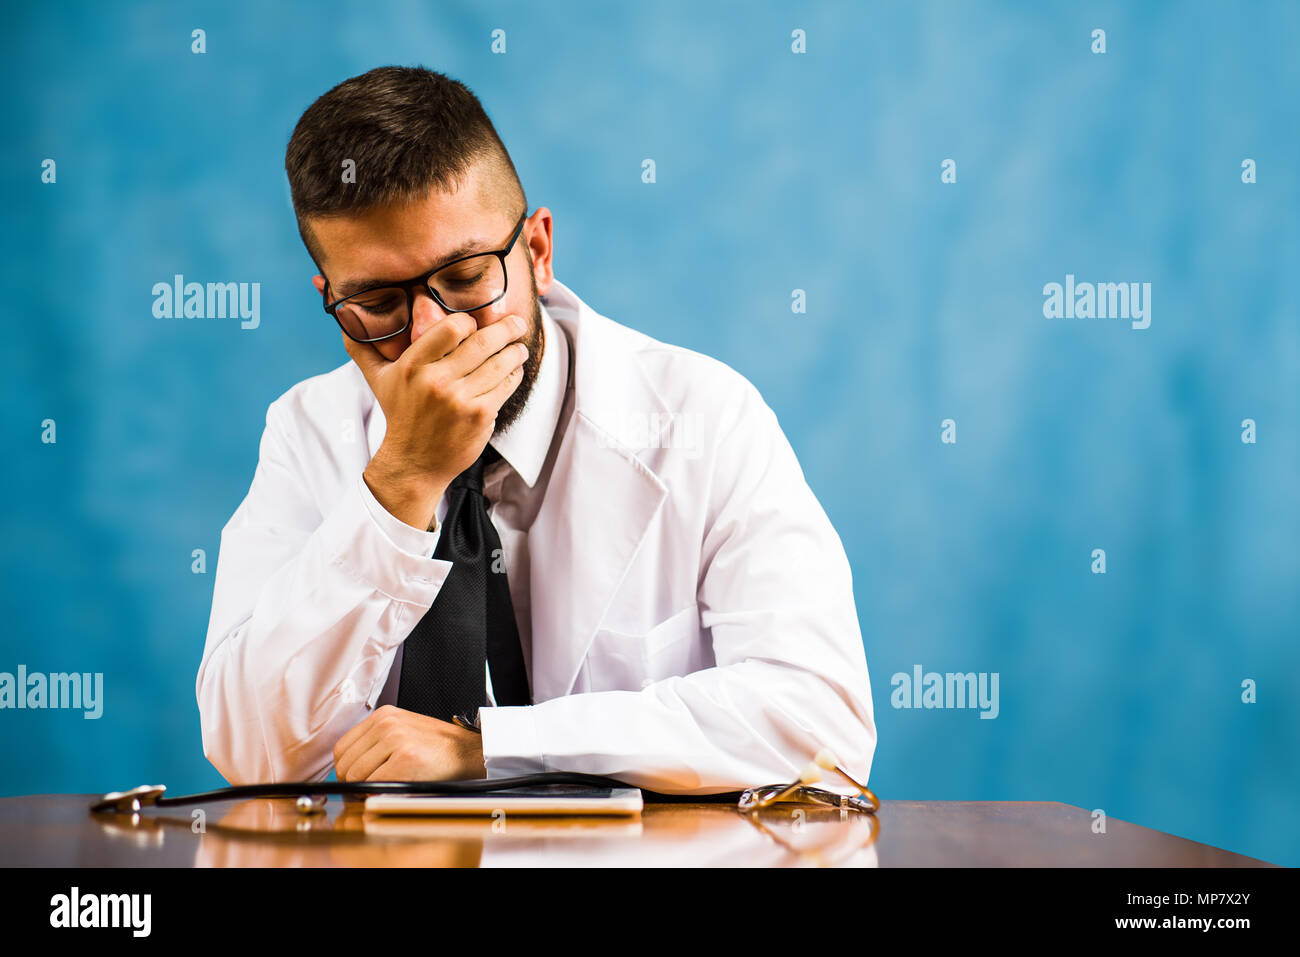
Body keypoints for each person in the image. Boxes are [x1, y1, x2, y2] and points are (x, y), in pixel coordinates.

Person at [196, 65, 876, 794]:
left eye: (465, 278)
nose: (437, 335)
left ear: (538, 252)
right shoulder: (309, 431)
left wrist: (494, 748)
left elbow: (821, 725)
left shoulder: (706, 417)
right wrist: (400, 483)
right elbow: (252, 747)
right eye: (380, 302)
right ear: (332, 302)